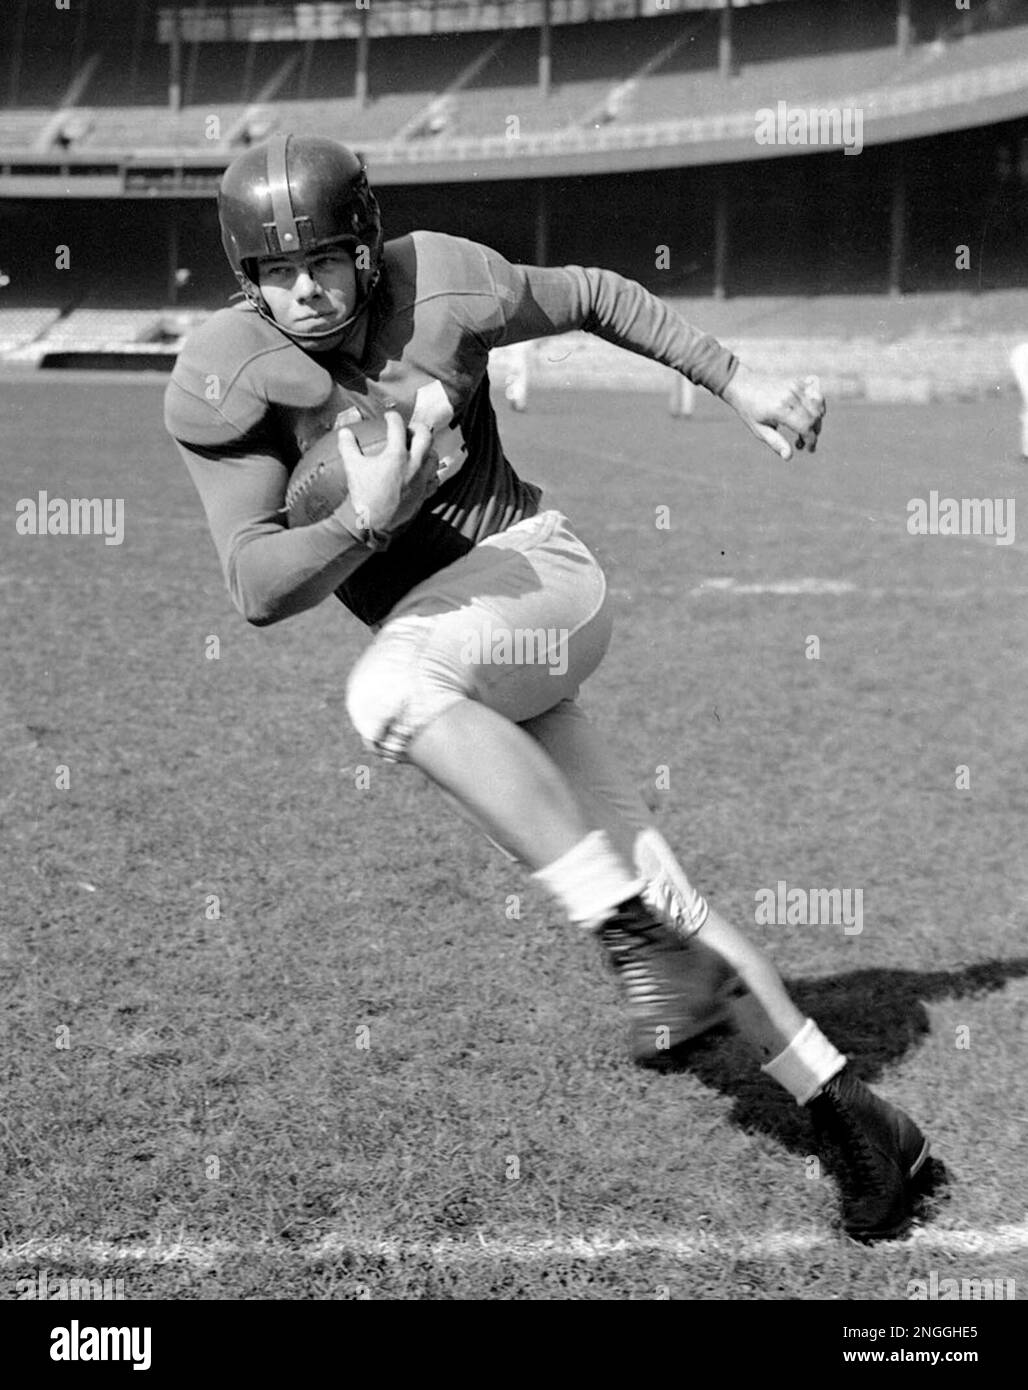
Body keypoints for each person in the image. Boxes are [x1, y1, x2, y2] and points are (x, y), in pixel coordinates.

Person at [165, 134, 930, 1242]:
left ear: (366, 246)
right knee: (663, 890)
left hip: (537, 577)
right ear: (243, 282)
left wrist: (738, 380)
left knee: (383, 690)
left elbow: (592, 295)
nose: (302, 288)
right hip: (462, 646)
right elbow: (252, 585)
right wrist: (355, 519)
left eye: (324, 261)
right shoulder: (225, 379)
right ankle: (855, 1117)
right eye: (276, 274)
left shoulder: (444, 280)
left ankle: (622, 938)